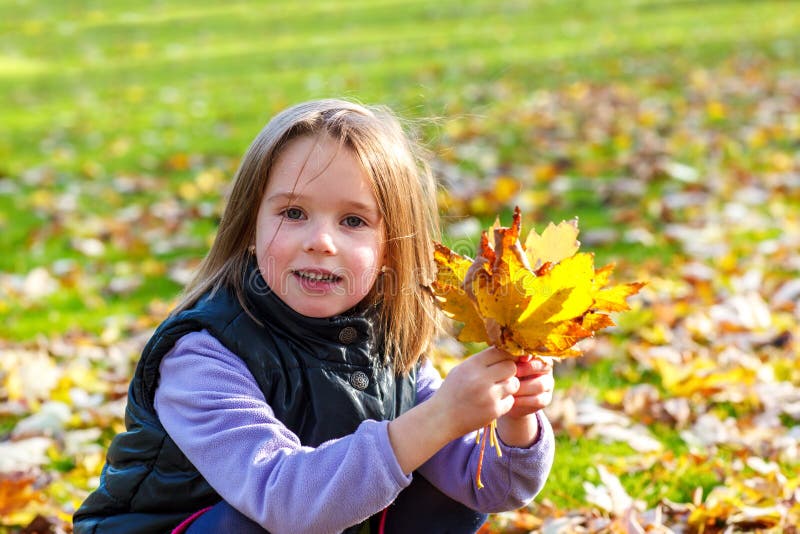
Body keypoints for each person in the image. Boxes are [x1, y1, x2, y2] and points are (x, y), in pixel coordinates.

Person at [74, 99, 555, 534]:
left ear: (391, 247)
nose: (321, 241)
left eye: (353, 221)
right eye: (293, 213)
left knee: (442, 490)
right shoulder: (203, 355)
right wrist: (440, 417)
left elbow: (489, 488)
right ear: (250, 226)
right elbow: (283, 502)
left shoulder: (387, 348)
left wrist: (517, 419)